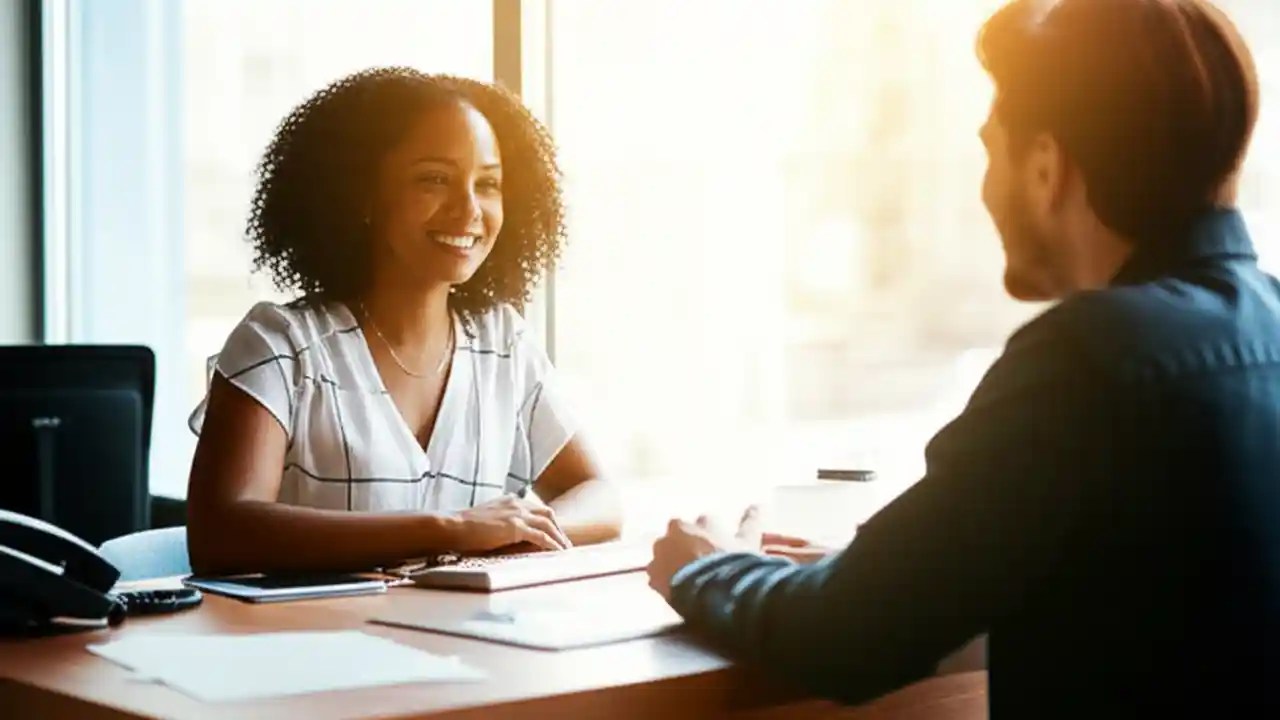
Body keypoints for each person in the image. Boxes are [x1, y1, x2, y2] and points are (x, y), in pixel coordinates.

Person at [647, 0, 1279, 715]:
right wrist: (878, 569)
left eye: (990, 148)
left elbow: (848, 635)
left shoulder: (1088, 360)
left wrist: (711, 569)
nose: (985, 187)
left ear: (1045, 168)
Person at [187, 68, 621, 576]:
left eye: (488, 184)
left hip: (466, 628)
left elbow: (600, 497)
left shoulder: (503, 344)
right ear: (363, 194)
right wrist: (451, 530)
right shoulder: (280, 345)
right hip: (317, 628)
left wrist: (522, 531)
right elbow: (221, 533)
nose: (469, 208)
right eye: (434, 179)